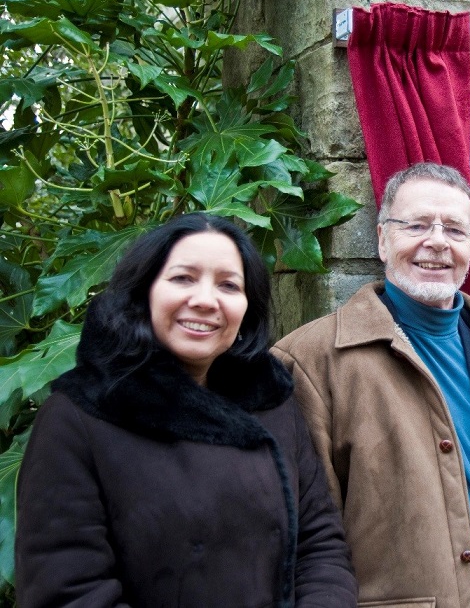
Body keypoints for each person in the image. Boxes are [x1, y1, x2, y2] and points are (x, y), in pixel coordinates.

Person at [272, 162, 470, 607]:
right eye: (417, 225)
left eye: (455, 230)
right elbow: (303, 544)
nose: (437, 241)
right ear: (383, 240)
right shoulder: (310, 364)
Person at [15, 213, 358, 607]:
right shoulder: (78, 417)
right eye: (183, 278)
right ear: (144, 291)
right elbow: (68, 592)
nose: (205, 300)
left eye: (228, 285)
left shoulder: (272, 402)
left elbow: (320, 545)